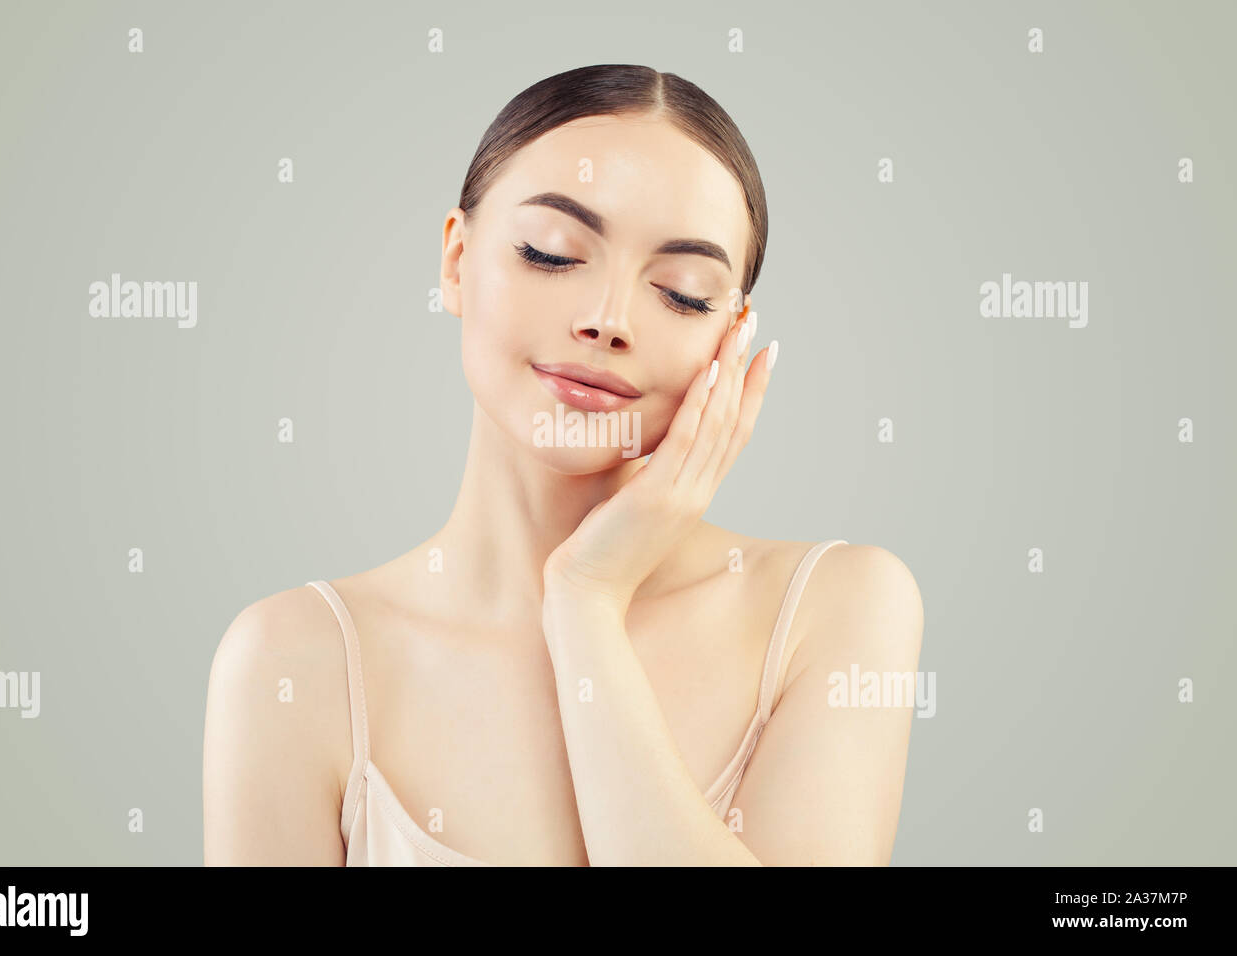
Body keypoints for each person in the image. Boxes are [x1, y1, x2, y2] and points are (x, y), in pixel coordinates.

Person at [203, 64, 923, 866]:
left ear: (734, 334)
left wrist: (585, 603)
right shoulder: (292, 660)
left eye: (683, 293)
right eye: (551, 253)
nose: (608, 320)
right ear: (455, 261)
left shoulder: (837, 608)